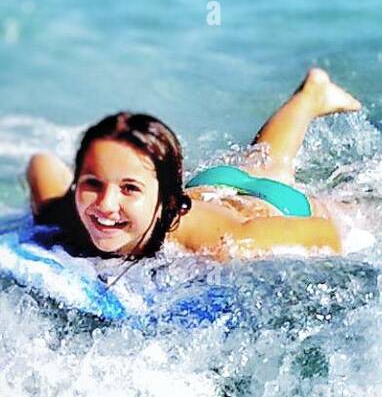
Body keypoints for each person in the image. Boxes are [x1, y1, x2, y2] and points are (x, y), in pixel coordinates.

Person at [25, 68, 361, 260]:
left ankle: (313, 94)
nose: (105, 204)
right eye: (93, 182)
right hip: (212, 185)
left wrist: (353, 230)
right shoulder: (72, 211)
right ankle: (312, 94)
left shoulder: (225, 245)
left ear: (164, 198)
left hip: (267, 207)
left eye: (129, 188)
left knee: (272, 172)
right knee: (262, 162)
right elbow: (41, 165)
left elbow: (327, 233)